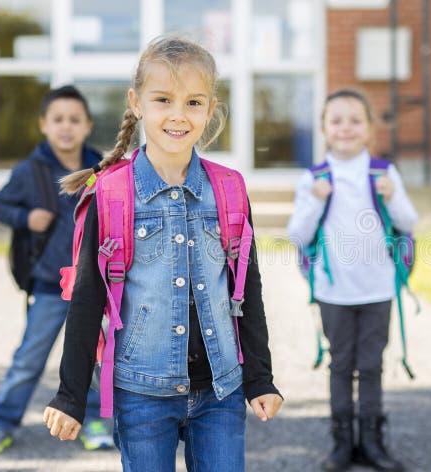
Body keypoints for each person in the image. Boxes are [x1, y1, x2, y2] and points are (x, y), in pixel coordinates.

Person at [42, 35, 283, 471]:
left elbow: (248, 289)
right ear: (136, 102)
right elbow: (87, 299)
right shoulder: (112, 194)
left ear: (211, 109)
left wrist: (259, 378)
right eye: (163, 99)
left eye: (193, 102)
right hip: (141, 393)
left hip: (221, 392)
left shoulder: (229, 189)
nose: (178, 115)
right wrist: (71, 394)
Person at [0, 85, 113, 454]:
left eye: (74, 120)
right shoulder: (29, 170)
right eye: (58, 119)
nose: (66, 127)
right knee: (28, 359)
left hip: (95, 285)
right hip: (51, 285)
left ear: (87, 126)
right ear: (43, 125)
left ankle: (93, 419)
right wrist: (25, 217)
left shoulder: (102, 166)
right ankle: (0, 422)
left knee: (96, 357)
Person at [287, 88, 418, 472]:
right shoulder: (314, 178)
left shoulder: (383, 172)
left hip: (378, 289)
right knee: (341, 365)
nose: (346, 128)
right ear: (325, 129)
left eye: (355, 120)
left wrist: (392, 196)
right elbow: (298, 235)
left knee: (373, 365)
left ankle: (373, 443)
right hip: (333, 292)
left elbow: (409, 222)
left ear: (369, 129)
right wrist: (314, 198)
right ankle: (342, 444)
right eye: (336, 121)